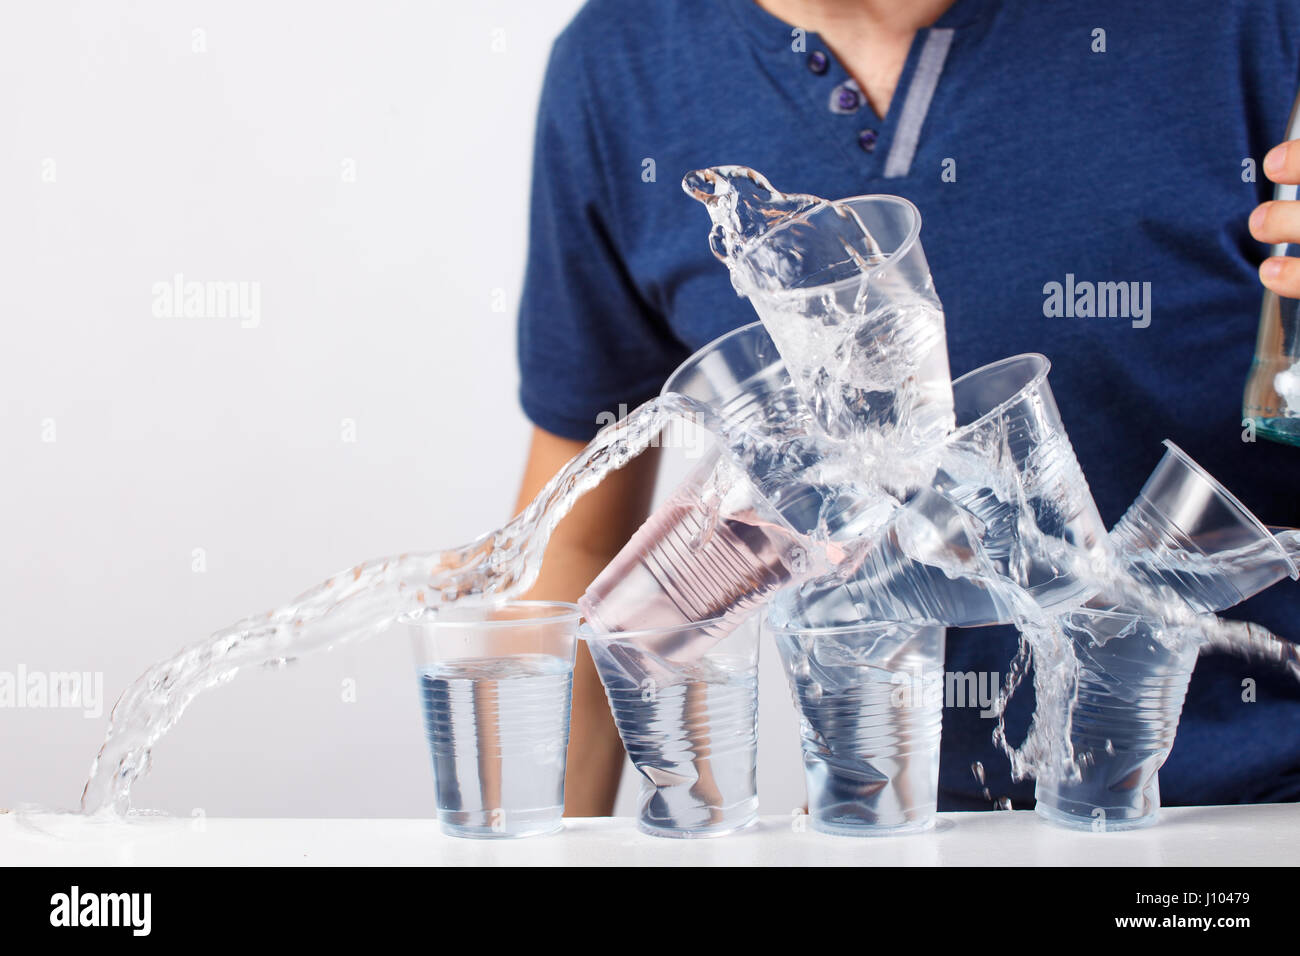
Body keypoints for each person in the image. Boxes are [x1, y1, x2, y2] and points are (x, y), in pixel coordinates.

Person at [512, 0, 1300, 816]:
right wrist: (536, 842)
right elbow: (580, 558)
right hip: (900, 830)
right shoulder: (620, 61)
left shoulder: (1256, 23)